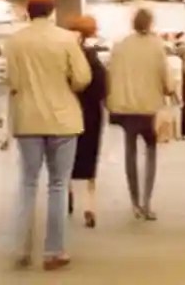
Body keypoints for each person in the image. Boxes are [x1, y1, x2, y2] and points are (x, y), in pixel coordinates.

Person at [4, 0, 91, 271]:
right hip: (63, 120)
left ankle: (21, 248)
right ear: (52, 10)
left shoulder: (15, 41)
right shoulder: (67, 39)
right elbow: (82, 78)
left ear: (28, 10)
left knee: (27, 184)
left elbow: (13, 82)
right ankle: (54, 251)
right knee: (57, 185)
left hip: (27, 120)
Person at [107, 8, 173, 221]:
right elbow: (166, 77)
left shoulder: (120, 46)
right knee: (151, 151)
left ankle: (134, 202)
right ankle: (147, 201)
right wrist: (169, 90)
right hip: (150, 106)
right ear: (150, 23)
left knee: (130, 153)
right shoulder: (156, 46)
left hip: (126, 107)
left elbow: (112, 75)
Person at [66, 15, 107, 229]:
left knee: (66, 159)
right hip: (91, 115)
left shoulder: (63, 56)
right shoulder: (93, 59)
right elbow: (102, 88)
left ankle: (68, 194)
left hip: (66, 113)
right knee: (89, 162)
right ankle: (89, 206)